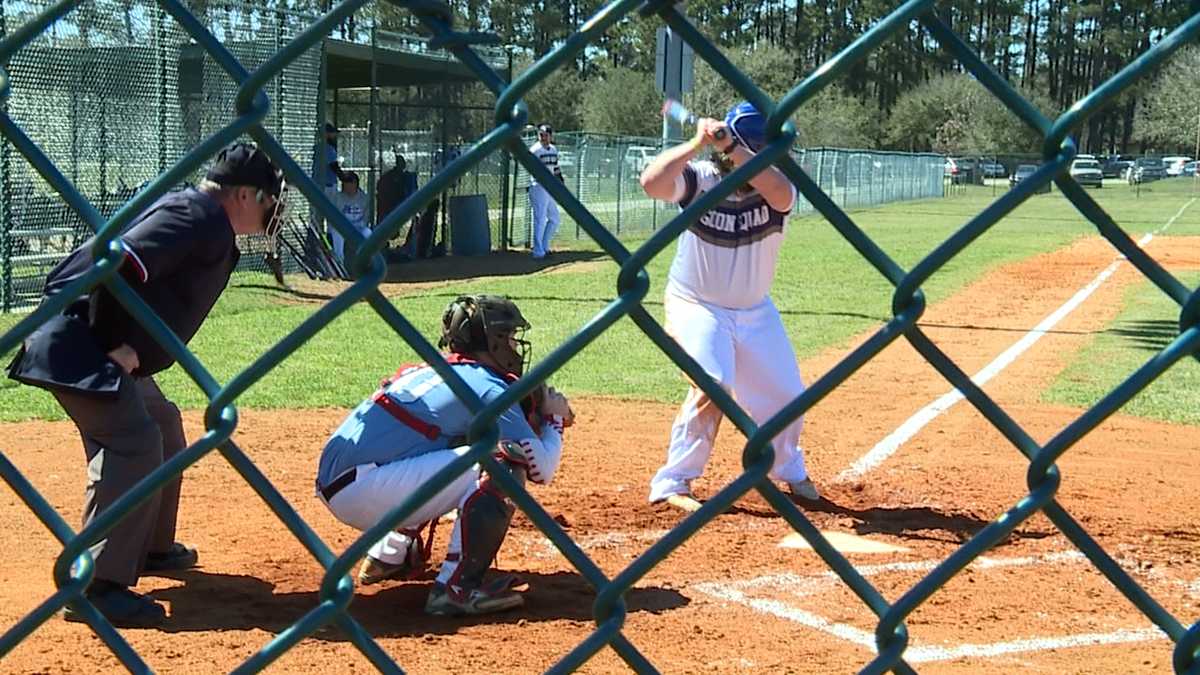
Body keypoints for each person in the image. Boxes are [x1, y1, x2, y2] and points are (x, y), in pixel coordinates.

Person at [6, 142, 288, 626]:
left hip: (90, 338)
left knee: (164, 424)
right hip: (78, 341)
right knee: (134, 442)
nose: (272, 210)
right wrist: (114, 342)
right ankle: (96, 584)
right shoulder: (194, 215)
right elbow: (113, 265)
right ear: (243, 195)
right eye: (267, 199)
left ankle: (151, 547)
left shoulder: (204, 219)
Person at [315, 295, 573, 616]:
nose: (515, 347)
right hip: (366, 487)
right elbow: (541, 469)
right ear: (492, 342)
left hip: (345, 481)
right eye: (508, 337)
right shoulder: (488, 387)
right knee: (504, 458)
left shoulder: (431, 369)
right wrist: (554, 420)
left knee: (453, 445)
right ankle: (457, 590)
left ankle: (389, 555)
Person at [638, 101, 818, 512]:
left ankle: (787, 468)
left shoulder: (779, 188)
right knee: (713, 382)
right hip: (696, 304)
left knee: (788, 393)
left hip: (755, 310)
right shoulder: (701, 179)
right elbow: (651, 183)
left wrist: (736, 150)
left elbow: (778, 191)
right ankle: (673, 480)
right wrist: (697, 142)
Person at [528, 124, 563, 259]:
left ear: (550, 136)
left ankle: (544, 245)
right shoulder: (535, 150)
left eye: (546, 135)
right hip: (538, 186)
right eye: (541, 135)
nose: (543, 137)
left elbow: (556, 169)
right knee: (540, 218)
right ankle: (538, 251)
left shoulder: (553, 149)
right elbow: (531, 168)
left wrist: (561, 182)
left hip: (550, 187)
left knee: (554, 218)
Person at [331, 171, 370, 268]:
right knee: (336, 232)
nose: (347, 188)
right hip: (343, 227)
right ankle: (339, 262)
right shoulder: (338, 197)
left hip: (358, 226)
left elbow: (366, 218)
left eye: (349, 185)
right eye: (345, 185)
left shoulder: (364, 198)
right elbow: (334, 217)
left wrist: (361, 225)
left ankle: (364, 263)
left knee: (368, 233)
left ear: (355, 184)